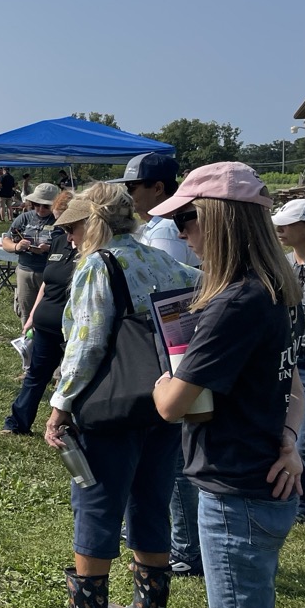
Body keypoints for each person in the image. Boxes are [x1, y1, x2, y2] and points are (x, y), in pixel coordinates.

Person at [152, 163, 305, 608]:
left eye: (188, 219)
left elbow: (172, 406)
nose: (182, 232)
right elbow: (296, 387)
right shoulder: (279, 290)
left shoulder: (233, 302)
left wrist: (160, 380)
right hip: (264, 481)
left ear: (219, 220)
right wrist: (290, 442)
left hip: (235, 491)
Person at [38, 182, 197, 608]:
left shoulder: (99, 265)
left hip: (110, 405)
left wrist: (60, 405)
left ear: (93, 224)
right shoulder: (167, 261)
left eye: (72, 228)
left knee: (97, 504)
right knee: (152, 500)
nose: (68, 237)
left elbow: (87, 343)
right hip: (163, 401)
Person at [109, 152, 202, 576]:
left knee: (174, 457)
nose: (129, 195)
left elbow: (162, 298)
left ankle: (183, 547)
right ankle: (164, 539)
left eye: (134, 187)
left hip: (166, 352)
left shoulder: (165, 231)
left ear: (158, 188)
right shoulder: (160, 227)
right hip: (170, 351)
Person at [0, 191, 75, 436]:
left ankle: (68, 426)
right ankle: (17, 424)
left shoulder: (91, 247)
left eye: (64, 221)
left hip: (73, 327)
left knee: (71, 376)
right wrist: (32, 315)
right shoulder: (59, 240)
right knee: (35, 375)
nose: (60, 226)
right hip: (46, 323)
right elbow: (47, 282)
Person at [271, 198, 305, 521]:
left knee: (304, 442)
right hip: (291, 358)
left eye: (287, 224)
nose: (280, 230)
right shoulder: (285, 265)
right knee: (292, 434)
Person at [1, 183, 61, 323]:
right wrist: (17, 247)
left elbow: (70, 246)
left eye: (46, 206)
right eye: (37, 204)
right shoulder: (24, 218)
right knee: (25, 310)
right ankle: (26, 340)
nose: (40, 209)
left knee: (47, 311)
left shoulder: (60, 220)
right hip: (25, 270)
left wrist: (48, 249)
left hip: (49, 271)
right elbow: (6, 241)